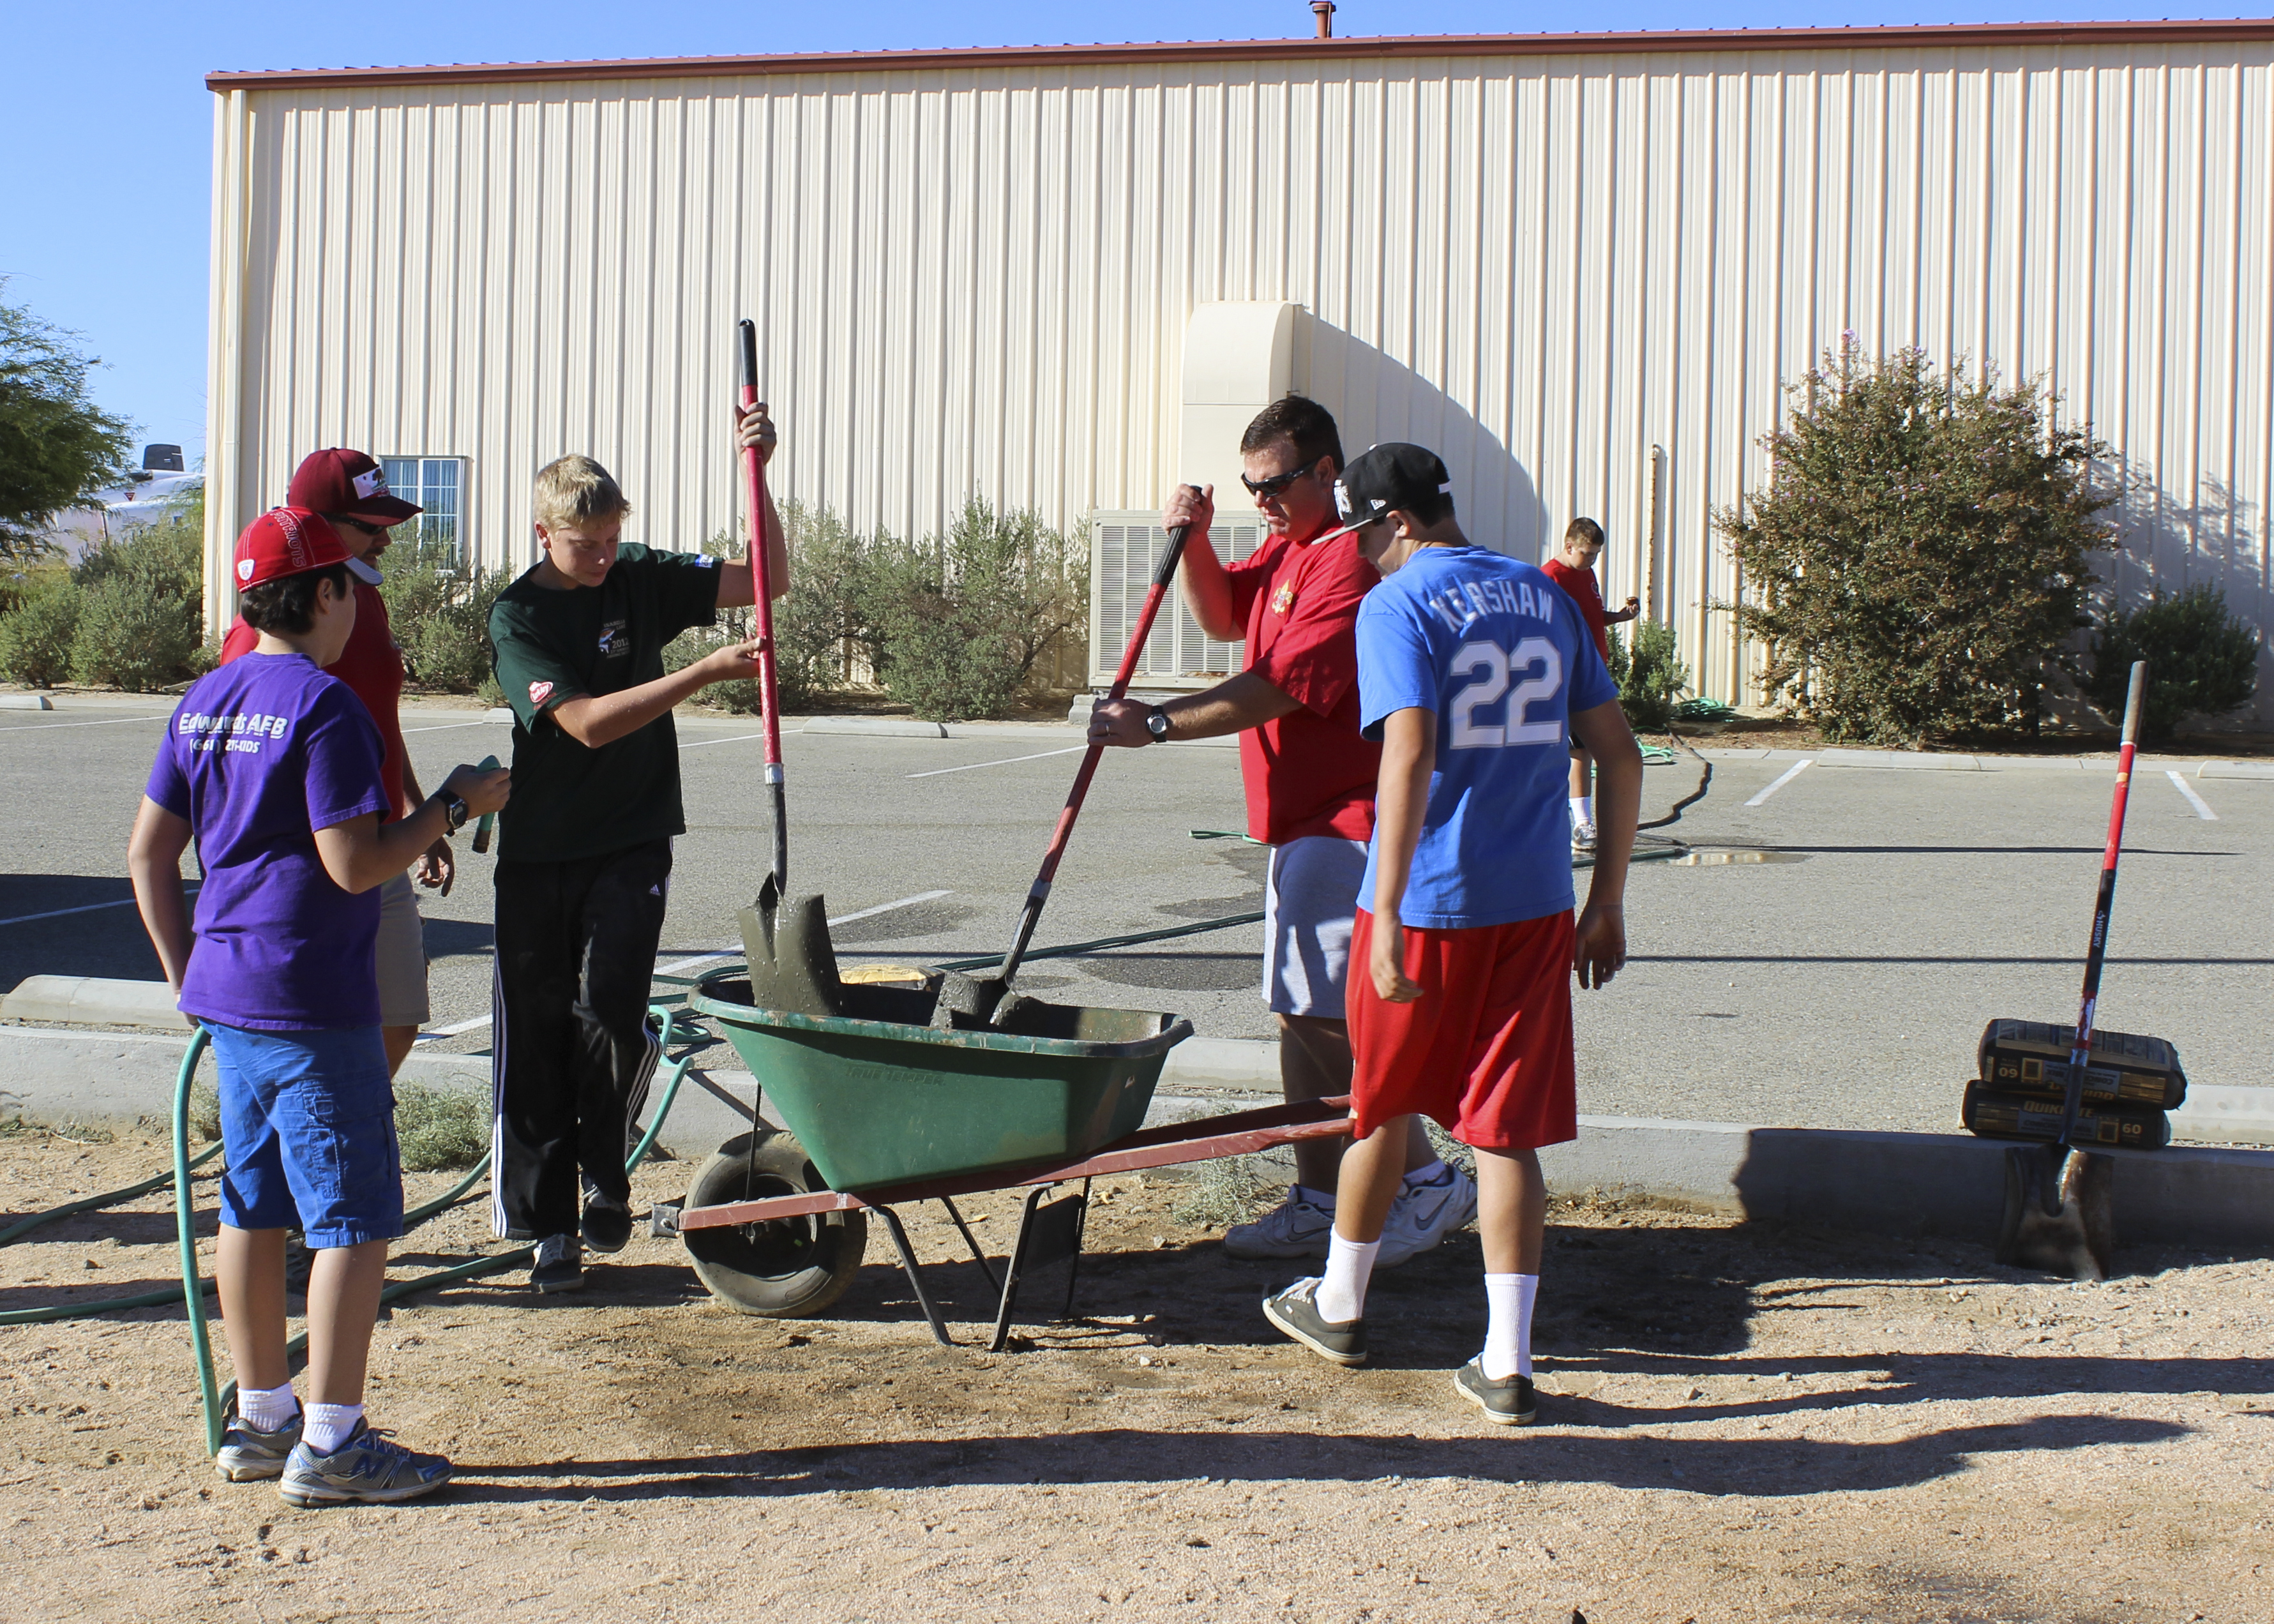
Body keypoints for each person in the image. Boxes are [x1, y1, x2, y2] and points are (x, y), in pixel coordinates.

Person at [127, 508, 511, 1504]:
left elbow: (148, 856)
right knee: (352, 1217)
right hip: (311, 1001)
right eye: (351, 585)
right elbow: (356, 865)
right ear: (326, 594)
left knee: (251, 1206)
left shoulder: (205, 699)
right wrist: (457, 803)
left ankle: (263, 1418)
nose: (358, 606)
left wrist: (186, 977)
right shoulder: (325, 705)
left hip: (232, 998)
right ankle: (333, 1442)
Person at [1258, 444, 1643, 1427]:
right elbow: (1618, 753)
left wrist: (1382, 913)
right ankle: (1506, 1363)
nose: (1363, 555)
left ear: (1390, 522)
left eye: (1362, 534)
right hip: (1534, 903)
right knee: (1507, 1133)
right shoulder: (1544, 593)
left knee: (1380, 1109)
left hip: (1430, 901)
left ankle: (1340, 1301)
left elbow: (1410, 753)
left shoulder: (1397, 605)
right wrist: (1607, 901)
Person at [1090, 398, 1477, 1268]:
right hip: (1299, 823)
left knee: (1331, 1023)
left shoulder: (1346, 565)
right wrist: (1190, 539)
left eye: (1275, 485)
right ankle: (1317, 1192)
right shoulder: (1288, 548)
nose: (1259, 501)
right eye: (1248, 488)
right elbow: (1225, 616)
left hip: (1345, 820)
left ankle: (1423, 1180)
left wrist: (1153, 725)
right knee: (1300, 1014)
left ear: (1326, 474)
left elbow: (1278, 686)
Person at [486, 407, 784, 1294]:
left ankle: (603, 1178)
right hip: (540, 850)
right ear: (544, 534)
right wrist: (699, 676)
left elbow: (765, 580)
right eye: (586, 544)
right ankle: (548, 1230)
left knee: (611, 1015)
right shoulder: (519, 615)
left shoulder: (642, 576)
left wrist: (757, 472)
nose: (605, 556)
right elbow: (580, 724)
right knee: (537, 1032)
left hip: (632, 839)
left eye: (615, 537)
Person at [218, 449, 448, 1078]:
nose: (384, 539)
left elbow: (377, 720)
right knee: (324, 1034)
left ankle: (346, 1122)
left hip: (376, 839)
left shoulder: (358, 597)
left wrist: (414, 811)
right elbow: (240, 746)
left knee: (398, 1013)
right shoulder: (270, 631)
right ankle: (331, 1134)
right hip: (319, 858)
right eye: (368, 525)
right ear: (315, 525)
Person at [1539, 516, 1639, 853]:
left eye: (1596, 555)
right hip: (1566, 676)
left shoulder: (1587, 575)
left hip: (1593, 672)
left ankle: (1580, 821)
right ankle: (1581, 823)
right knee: (1576, 750)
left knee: (1589, 750)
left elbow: (1591, 616)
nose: (1592, 560)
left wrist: (1619, 617)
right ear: (1569, 547)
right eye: (1586, 553)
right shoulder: (1549, 577)